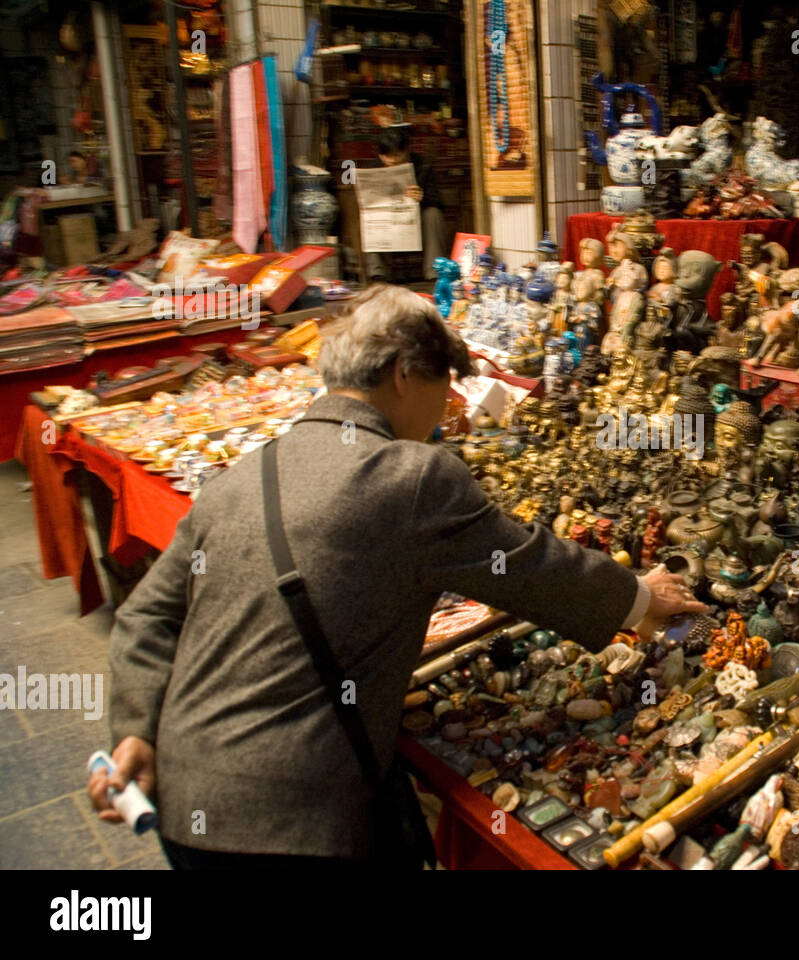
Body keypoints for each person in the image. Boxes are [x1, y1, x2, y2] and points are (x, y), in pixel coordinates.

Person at [87, 285, 706, 868]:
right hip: (291, 821)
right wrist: (639, 596)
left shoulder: (240, 476)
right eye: (444, 387)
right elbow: (530, 565)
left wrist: (134, 730)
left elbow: (149, 615)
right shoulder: (408, 476)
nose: (446, 410)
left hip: (181, 795)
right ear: (404, 374)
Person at [365, 125, 448, 282]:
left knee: (433, 214)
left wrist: (421, 197)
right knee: (368, 217)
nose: (393, 160)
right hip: (386, 222)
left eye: (398, 154)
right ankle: (377, 273)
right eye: (387, 156)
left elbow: (437, 201)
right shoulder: (373, 168)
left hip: (414, 222)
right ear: (380, 155)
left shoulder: (423, 166)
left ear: (407, 150)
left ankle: (434, 271)